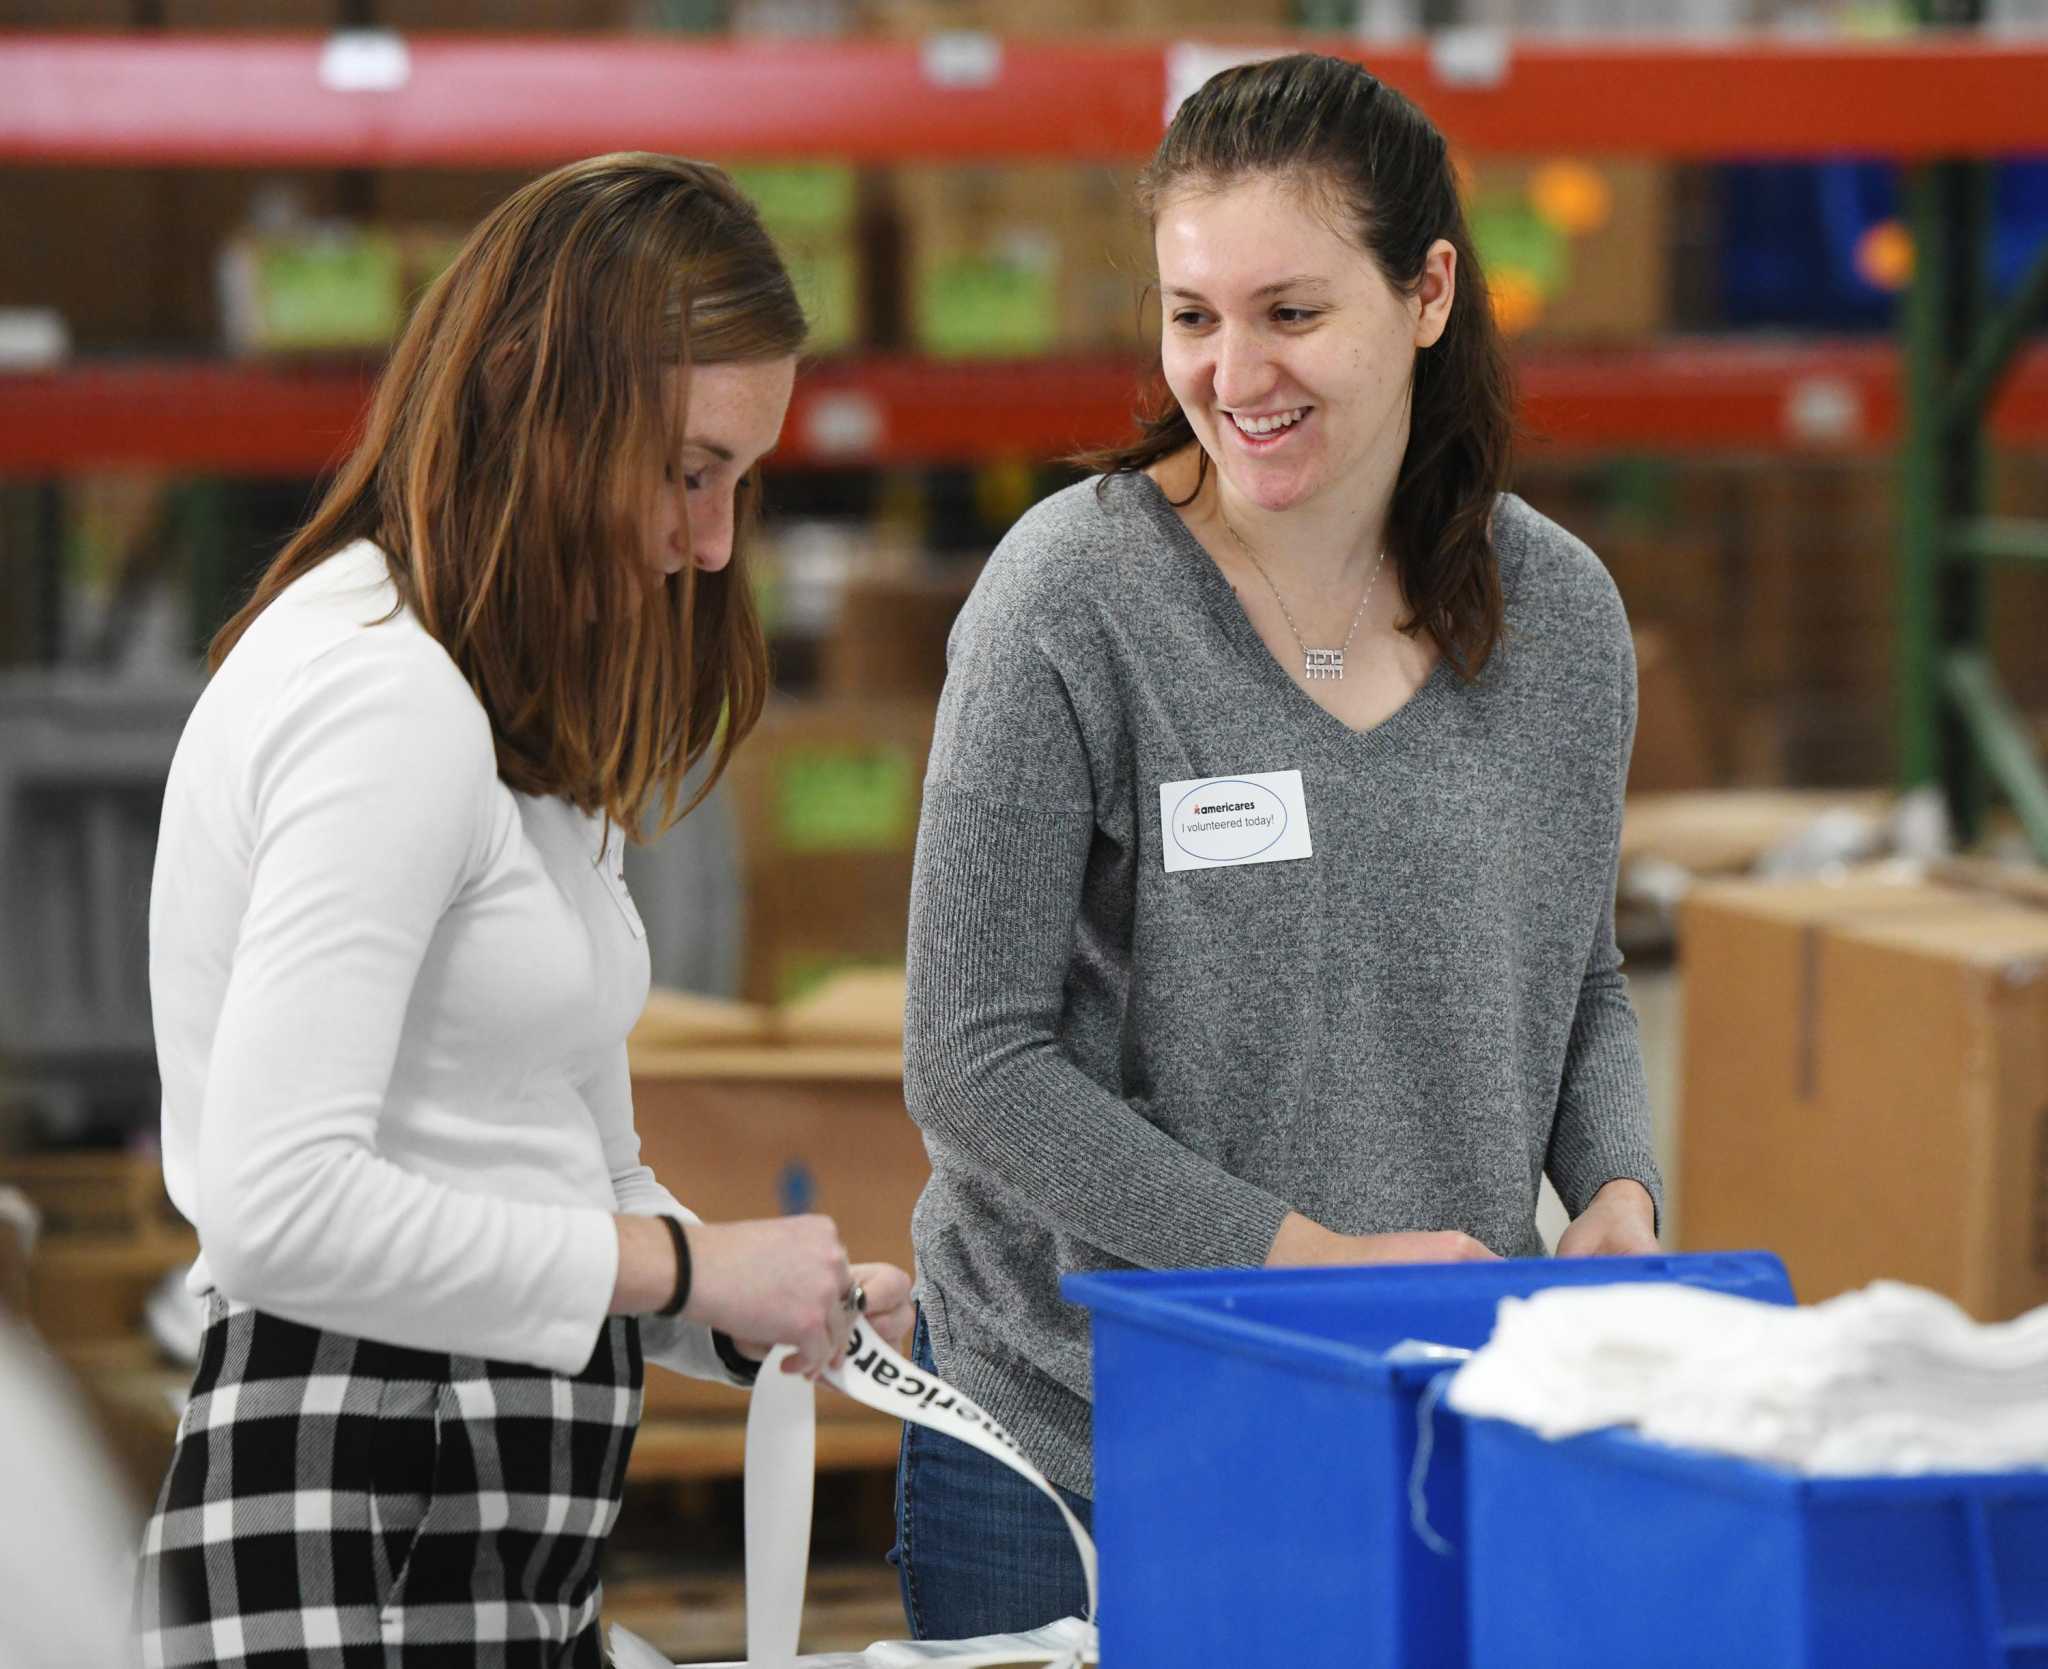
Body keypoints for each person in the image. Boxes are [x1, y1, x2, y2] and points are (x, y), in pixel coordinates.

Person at [890, 54, 1663, 1639]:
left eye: (1290, 314)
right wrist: (1305, 1259)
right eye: (1193, 316)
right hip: (1078, 1449)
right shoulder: (1070, 602)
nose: (1233, 371)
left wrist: (1620, 1185)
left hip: (1424, 1421)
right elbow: (970, 1058)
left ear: (1430, 291)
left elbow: (1573, 969)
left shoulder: (1564, 620)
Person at [135, 152, 913, 1667]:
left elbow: (571, 1166)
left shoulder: (497, 714)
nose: (711, 545)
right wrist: (689, 1271)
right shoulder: (379, 700)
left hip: (477, 1517)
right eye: (691, 469)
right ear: (524, 393)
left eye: (741, 483)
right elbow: (276, 1206)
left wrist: (742, 1301)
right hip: (352, 1510)